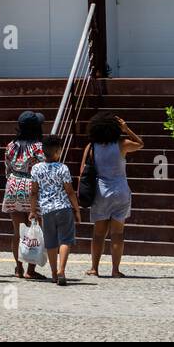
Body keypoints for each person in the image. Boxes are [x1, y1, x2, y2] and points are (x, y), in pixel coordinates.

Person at [83, 112, 144, 278]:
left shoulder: (91, 147)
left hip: (101, 192)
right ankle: (115, 270)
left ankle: (94, 268)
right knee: (117, 234)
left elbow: (83, 171)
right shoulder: (122, 143)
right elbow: (140, 144)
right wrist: (127, 129)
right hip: (121, 191)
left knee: (98, 234)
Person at [30, 134, 82, 286]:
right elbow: (70, 191)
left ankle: (53, 273)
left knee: (51, 243)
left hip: (46, 210)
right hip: (64, 208)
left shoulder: (36, 169)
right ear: (57, 152)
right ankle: (61, 270)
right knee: (65, 240)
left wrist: (33, 210)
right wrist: (77, 209)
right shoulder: (63, 168)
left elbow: (33, 192)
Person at [4, 110, 46, 279]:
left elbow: (7, 168)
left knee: (17, 231)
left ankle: (18, 268)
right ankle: (31, 270)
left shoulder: (11, 145)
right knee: (34, 229)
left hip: (13, 185)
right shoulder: (39, 147)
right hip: (32, 187)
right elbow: (42, 169)